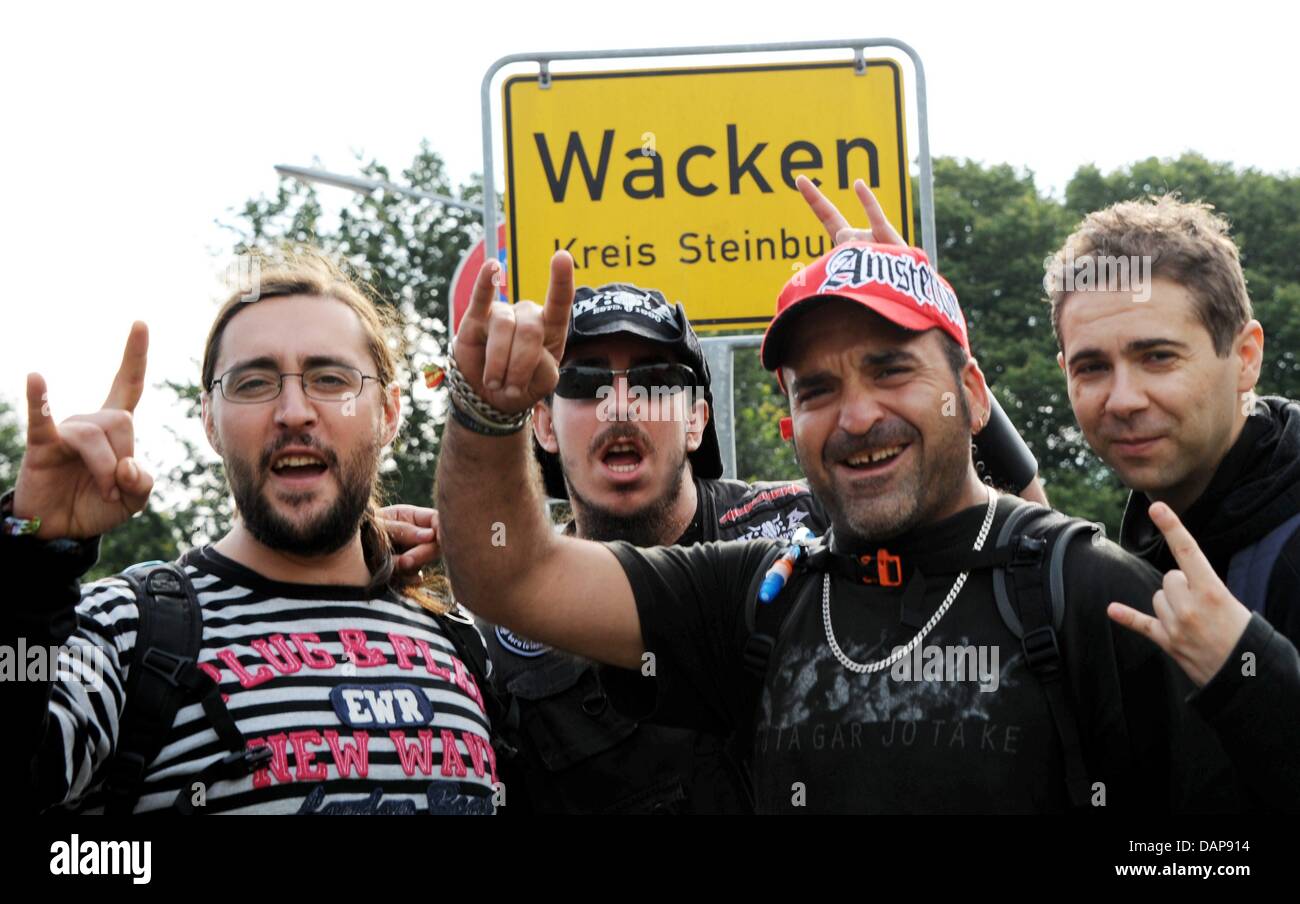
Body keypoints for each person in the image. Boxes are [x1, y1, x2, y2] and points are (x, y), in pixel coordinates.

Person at [434, 237, 1205, 814]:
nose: (858, 416)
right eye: (819, 388)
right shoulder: (763, 589)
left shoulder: (1091, 592)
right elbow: (511, 576)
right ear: (791, 421)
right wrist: (484, 411)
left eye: (892, 369)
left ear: (972, 395)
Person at [3, 248, 502, 814]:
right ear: (210, 421)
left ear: (388, 413)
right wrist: (33, 554)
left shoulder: (464, 646)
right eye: (254, 383)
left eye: (330, 378)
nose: (293, 411)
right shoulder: (125, 631)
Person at [1046, 196, 1300, 810]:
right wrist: (920, 330)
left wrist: (1246, 667)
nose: (1123, 399)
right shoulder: (1162, 532)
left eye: (1157, 356)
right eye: (1092, 368)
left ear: (1244, 357)